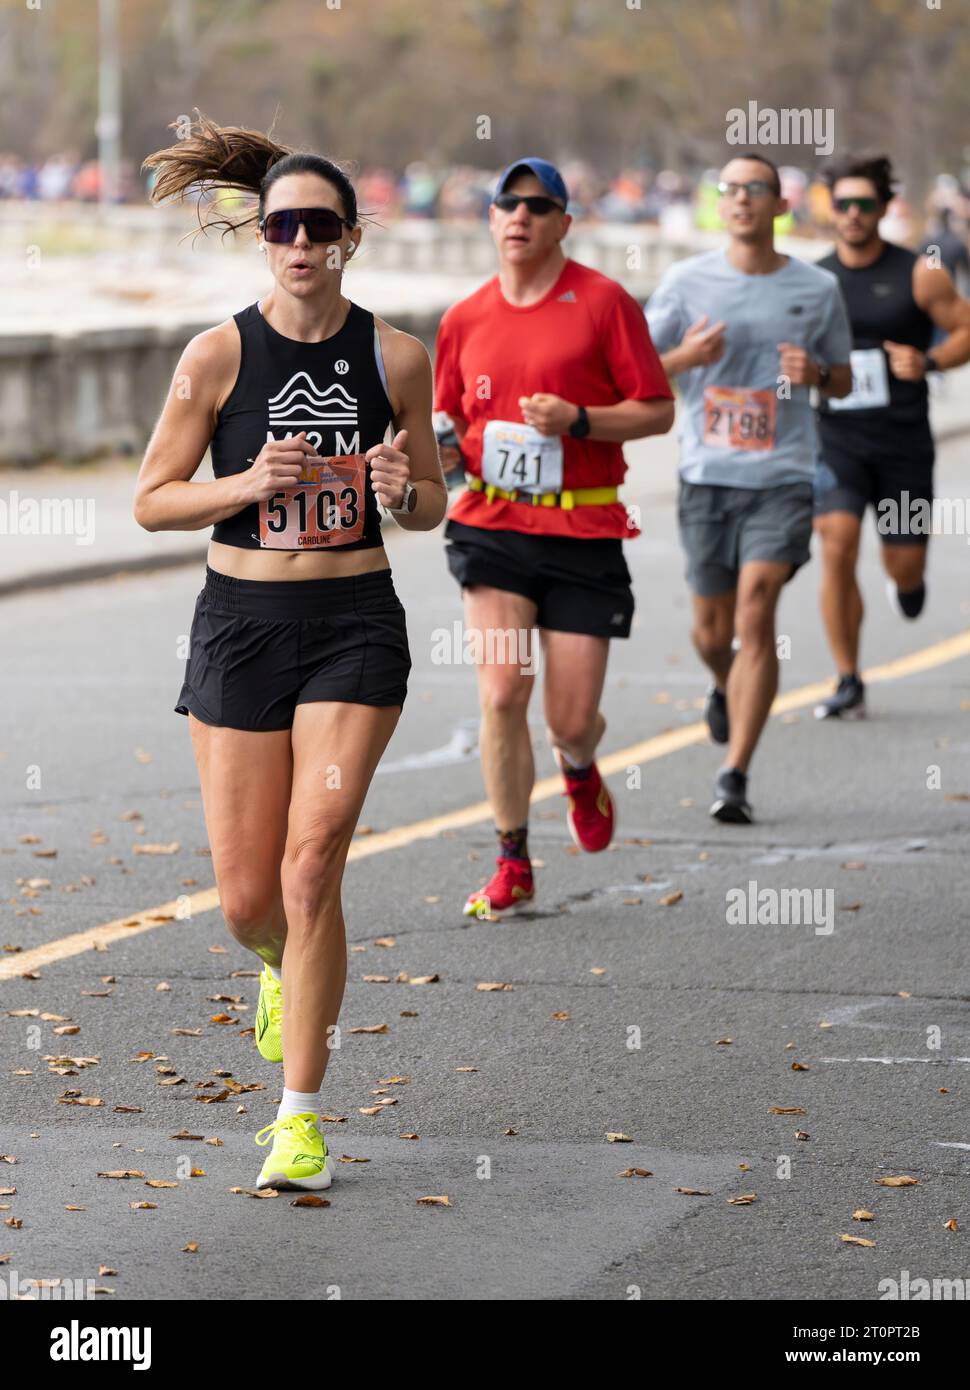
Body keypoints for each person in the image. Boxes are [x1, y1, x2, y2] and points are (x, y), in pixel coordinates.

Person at [135, 112, 446, 1190]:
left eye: (319, 226)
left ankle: (299, 1119)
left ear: (349, 237)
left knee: (313, 865)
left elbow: (433, 503)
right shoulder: (216, 353)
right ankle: (279, 966)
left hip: (355, 627)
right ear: (260, 238)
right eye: (281, 227)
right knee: (248, 899)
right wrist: (244, 486)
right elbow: (151, 500)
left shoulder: (397, 355)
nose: (300, 243)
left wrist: (407, 496)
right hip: (240, 629)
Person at [434, 157, 674, 917]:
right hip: (492, 527)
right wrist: (421, 460)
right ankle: (513, 858)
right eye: (506, 203)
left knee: (570, 717)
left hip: (583, 527)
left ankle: (578, 763)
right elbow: (444, 427)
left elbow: (657, 408)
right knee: (503, 691)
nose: (519, 216)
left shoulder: (604, 304)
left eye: (538, 206)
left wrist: (580, 421)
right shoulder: (464, 318)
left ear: (564, 223)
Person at [646, 153, 852, 822]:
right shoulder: (686, 280)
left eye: (754, 190)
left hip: (784, 474)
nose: (740, 201)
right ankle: (721, 681)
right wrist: (686, 359)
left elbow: (845, 378)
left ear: (780, 205)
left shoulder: (816, 289)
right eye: (730, 190)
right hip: (706, 477)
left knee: (756, 611)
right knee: (712, 633)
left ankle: (734, 773)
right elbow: (639, 368)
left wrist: (816, 372)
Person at [813, 155, 970, 719]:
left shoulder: (920, 270)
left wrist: (927, 361)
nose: (853, 215)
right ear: (831, 210)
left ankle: (907, 584)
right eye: (843, 204)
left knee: (903, 565)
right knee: (837, 541)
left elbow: (966, 330)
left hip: (903, 443)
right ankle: (848, 676)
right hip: (837, 440)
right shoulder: (815, 278)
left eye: (865, 204)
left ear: (883, 208)